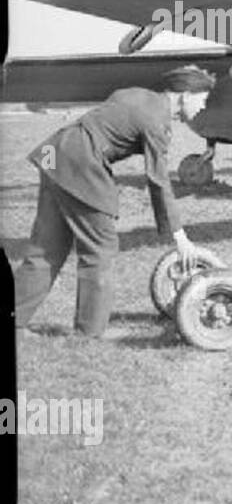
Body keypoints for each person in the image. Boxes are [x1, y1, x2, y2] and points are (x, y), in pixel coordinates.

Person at [13, 65, 214, 339]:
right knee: (100, 249)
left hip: (52, 153)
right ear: (186, 94)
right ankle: (88, 334)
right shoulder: (157, 120)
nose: (203, 107)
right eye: (202, 99)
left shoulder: (136, 94)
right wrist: (179, 236)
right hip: (77, 161)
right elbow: (158, 181)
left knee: (46, 248)